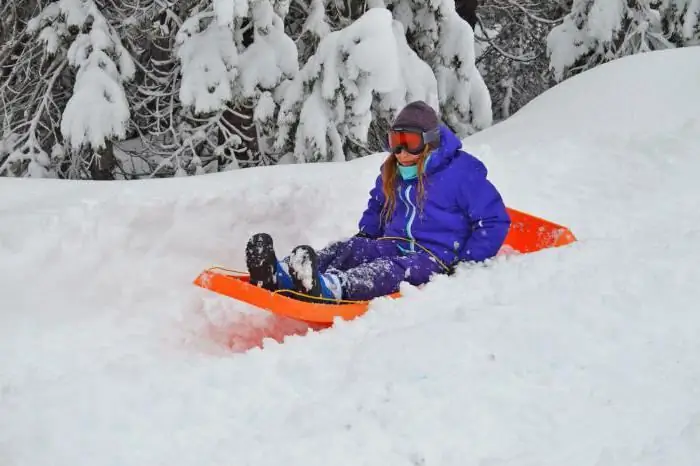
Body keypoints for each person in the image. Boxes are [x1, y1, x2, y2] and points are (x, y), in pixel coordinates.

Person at [245, 101, 511, 303]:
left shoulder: (460, 174)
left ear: (429, 142)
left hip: (433, 256)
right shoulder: (393, 172)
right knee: (347, 248)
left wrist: (466, 263)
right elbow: (378, 205)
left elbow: (493, 220)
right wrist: (366, 235)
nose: (402, 152)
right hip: (393, 243)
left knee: (387, 271)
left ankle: (333, 287)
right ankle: (281, 272)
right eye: (396, 142)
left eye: (411, 143)